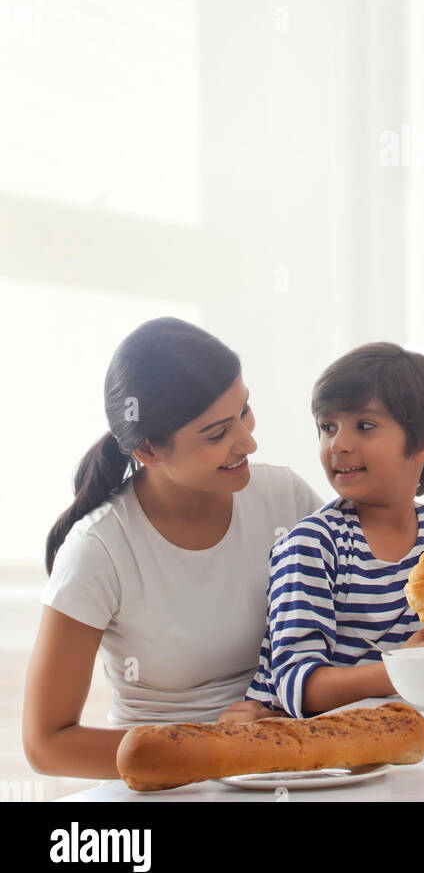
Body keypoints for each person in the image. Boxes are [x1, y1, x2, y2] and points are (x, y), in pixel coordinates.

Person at [22, 317, 321, 779]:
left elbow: (364, 606)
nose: (248, 440)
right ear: (147, 450)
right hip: (166, 784)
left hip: (281, 768)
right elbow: (48, 744)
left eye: (245, 411)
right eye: (217, 434)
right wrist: (219, 748)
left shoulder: (284, 498)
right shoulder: (99, 549)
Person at [226, 342, 424, 720]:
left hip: (408, 729)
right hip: (306, 733)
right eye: (327, 427)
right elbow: (299, 686)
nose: (339, 444)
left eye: (365, 426)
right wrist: (402, 669)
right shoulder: (313, 545)